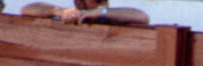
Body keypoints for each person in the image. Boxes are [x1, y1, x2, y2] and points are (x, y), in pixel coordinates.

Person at [20, 1, 149, 25]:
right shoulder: (70, 16)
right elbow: (26, 9)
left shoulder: (110, 19)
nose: (101, 4)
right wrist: (59, 12)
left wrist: (99, 12)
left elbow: (142, 16)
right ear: (79, 3)